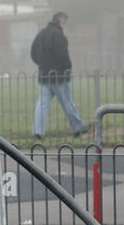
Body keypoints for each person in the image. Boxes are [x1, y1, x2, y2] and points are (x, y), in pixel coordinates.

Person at [29, 12, 87, 140]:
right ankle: (78, 127)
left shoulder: (41, 34)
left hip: (44, 76)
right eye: (64, 22)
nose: (64, 25)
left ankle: (38, 131)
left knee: (42, 104)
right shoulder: (59, 35)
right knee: (67, 102)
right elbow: (63, 56)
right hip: (60, 76)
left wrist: (42, 65)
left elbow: (33, 53)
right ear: (61, 21)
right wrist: (68, 67)